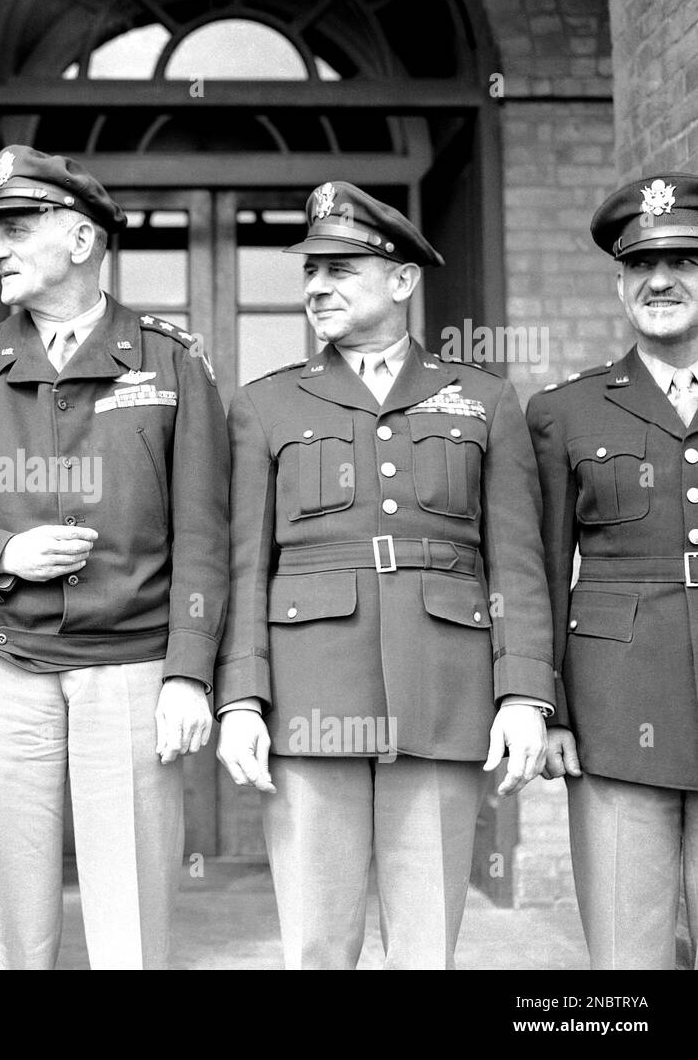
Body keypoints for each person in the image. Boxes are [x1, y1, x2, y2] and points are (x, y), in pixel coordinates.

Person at [0, 145, 229, 969]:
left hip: (131, 667)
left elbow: (205, 536)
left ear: (80, 240)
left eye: (14, 229)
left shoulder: (172, 362)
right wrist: (6, 550)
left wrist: (190, 671)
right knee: (5, 923)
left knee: (133, 922)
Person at [216, 181, 554, 969]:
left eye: (340, 269)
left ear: (402, 279)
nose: (317, 287)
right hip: (311, 695)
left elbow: (517, 561)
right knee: (317, 942)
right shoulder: (266, 405)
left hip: (442, 692)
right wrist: (239, 698)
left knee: (426, 945)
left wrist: (524, 693)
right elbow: (241, 565)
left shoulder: (482, 398)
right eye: (309, 272)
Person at [527, 173, 698, 969]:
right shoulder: (568, 412)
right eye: (640, 266)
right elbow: (539, 572)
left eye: (684, 259)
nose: (659, 280)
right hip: (615, 713)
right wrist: (552, 709)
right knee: (630, 961)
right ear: (619, 282)